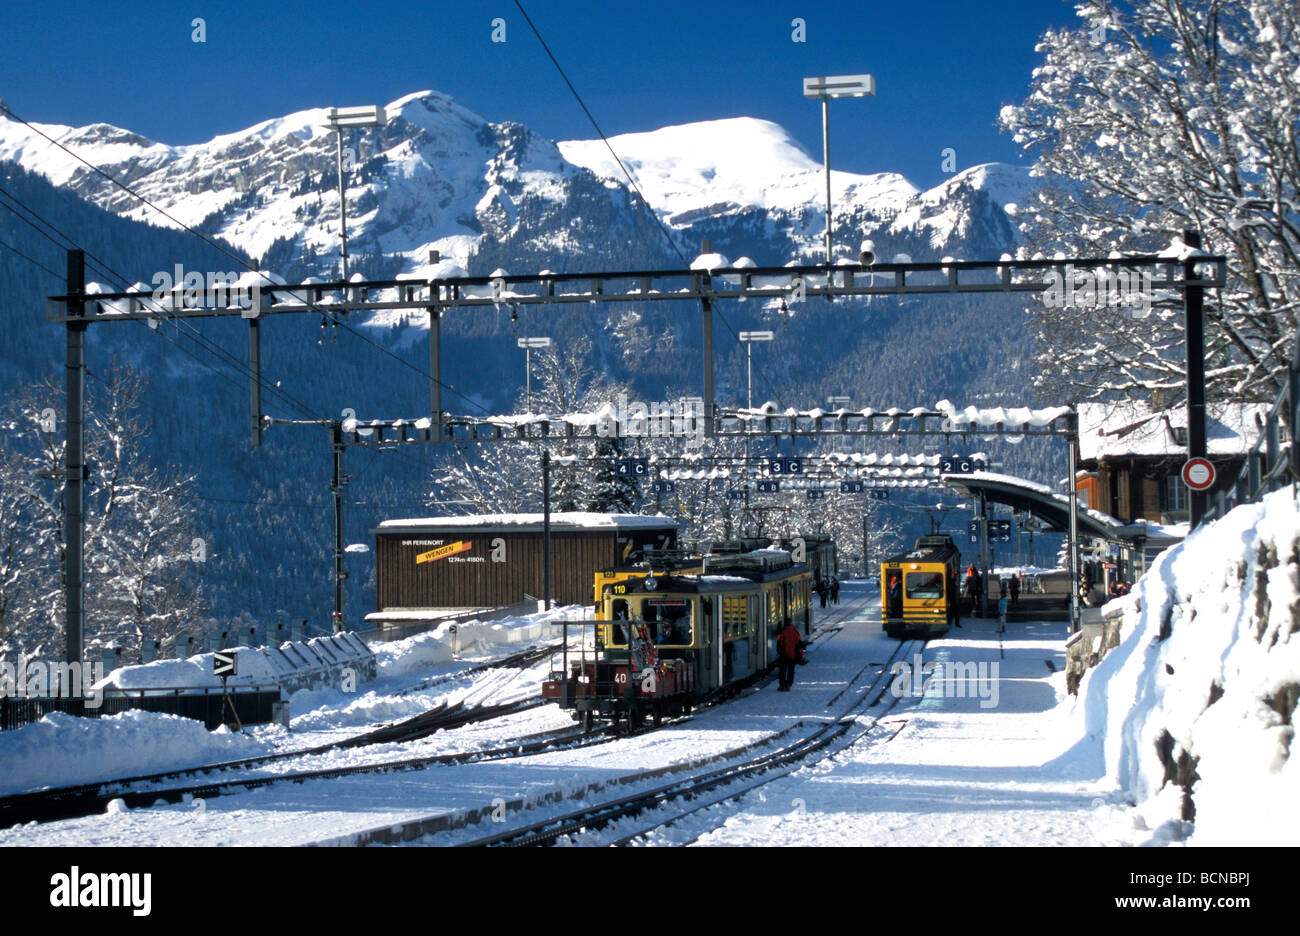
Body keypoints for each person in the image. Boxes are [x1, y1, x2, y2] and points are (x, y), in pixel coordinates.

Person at [777, 619, 802, 691]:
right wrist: (800, 654)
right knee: (791, 670)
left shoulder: (782, 633)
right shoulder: (796, 632)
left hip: (784, 655)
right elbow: (799, 644)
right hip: (793, 655)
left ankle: (782, 685)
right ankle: (788, 684)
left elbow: (779, 643)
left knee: (782, 670)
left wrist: (780, 652)